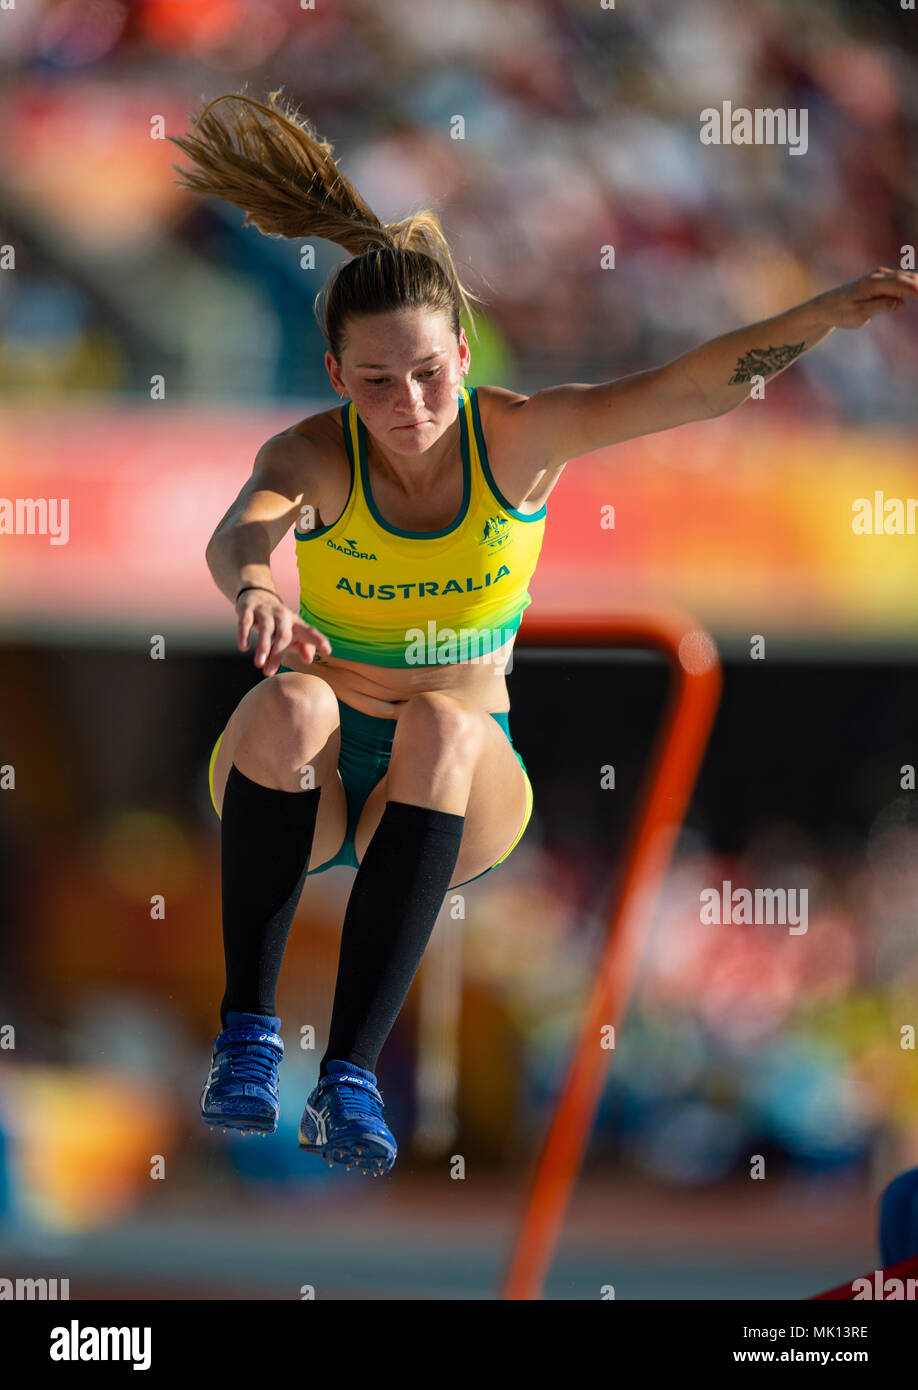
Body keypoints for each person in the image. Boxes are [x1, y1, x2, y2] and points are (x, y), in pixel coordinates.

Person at [169, 89, 917, 1177]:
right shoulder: (313, 453)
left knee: (444, 724)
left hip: (459, 782)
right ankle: (247, 1039)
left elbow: (691, 387)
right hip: (316, 769)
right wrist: (254, 587)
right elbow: (240, 530)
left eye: (429, 373)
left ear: (464, 355)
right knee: (290, 700)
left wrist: (823, 315)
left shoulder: (519, 441)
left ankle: (353, 1075)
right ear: (338, 379)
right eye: (377, 382)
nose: (410, 404)